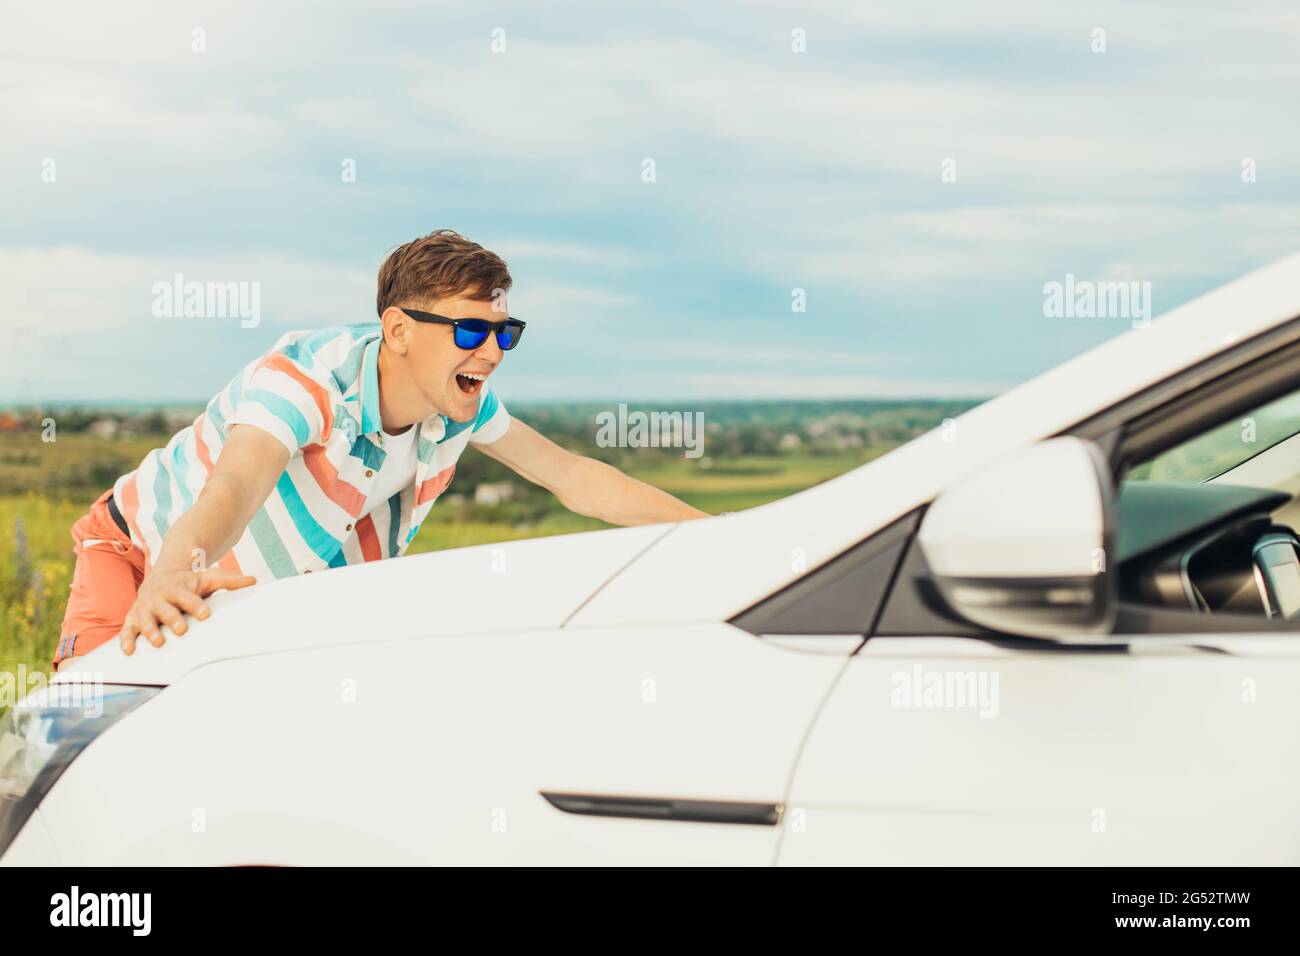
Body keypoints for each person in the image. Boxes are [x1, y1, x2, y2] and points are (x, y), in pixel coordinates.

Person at [53, 230, 707, 669]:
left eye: (504, 334)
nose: (490, 352)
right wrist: (171, 571)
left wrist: (729, 536)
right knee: (86, 735)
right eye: (471, 330)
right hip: (141, 556)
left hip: (252, 599)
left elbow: (573, 477)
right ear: (398, 330)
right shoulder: (307, 381)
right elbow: (236, 486)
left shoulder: (459, 405)